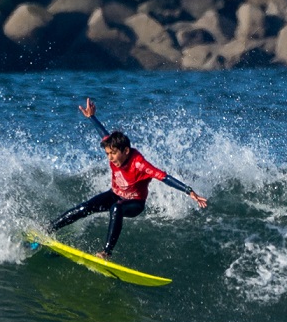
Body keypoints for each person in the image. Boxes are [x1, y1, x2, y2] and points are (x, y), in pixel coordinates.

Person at [46, 99, 208, 258]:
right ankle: (48, 229)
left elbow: (164, 177)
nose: (110, 157)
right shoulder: (113, 149)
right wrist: (92, 117)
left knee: (116, 208)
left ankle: (106, 253)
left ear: (126, 151)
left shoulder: (139, 164)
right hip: (115, 193)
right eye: (108, 154)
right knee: (84, 208)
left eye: (113, 153)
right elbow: (104, 135)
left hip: (135, 203)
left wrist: (189, 191)